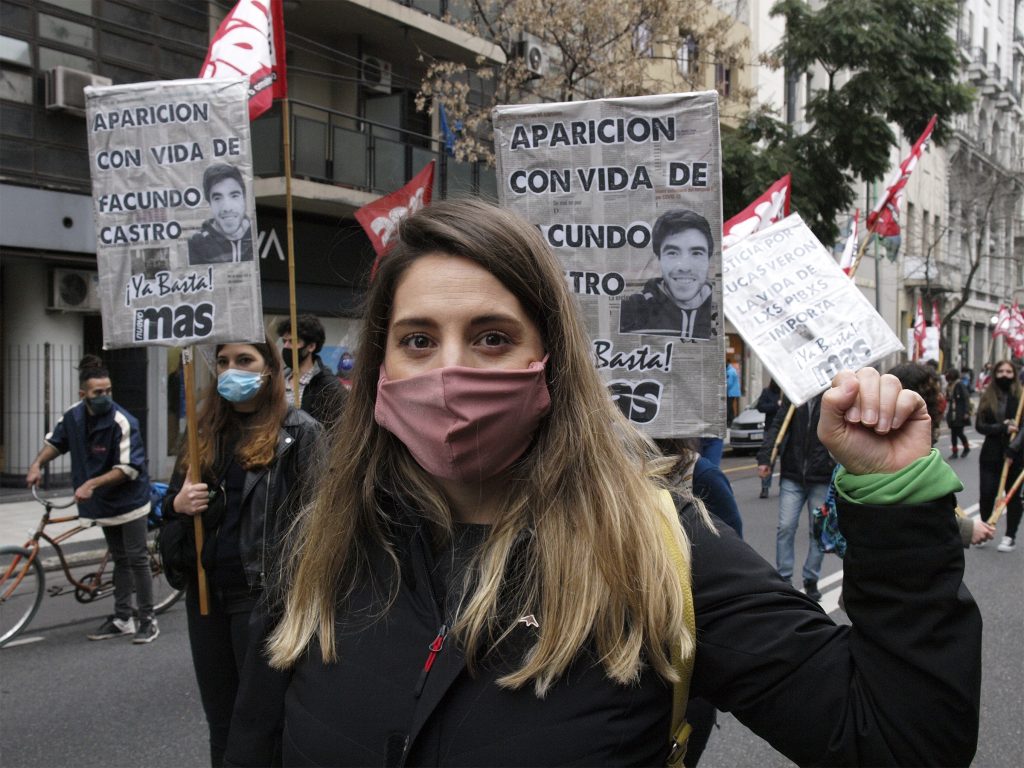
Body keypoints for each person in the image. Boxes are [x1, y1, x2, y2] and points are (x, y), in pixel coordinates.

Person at [226, 200, 980, 767]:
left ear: (551, 362)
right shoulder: (325, 549)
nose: (451, 371)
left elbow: (897, 741)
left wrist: (898, 504)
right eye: (418, 339)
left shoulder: (657, 551)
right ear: (379, 368)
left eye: (492, 338)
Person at [162, 335, 320, 766]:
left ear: (269, 368)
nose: (231, 369)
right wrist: (177, 504)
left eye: (245, 360)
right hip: (205, 596)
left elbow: (320, 520)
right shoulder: (203, 432)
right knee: (221, 722)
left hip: (263, 599)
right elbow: (171, 507)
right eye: (223, 361)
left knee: (258, 727)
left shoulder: (299, 431)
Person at [25, 355, 158, 643]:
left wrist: (91, 484)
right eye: (98, 392)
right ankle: (123, 618)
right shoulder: (73, 417)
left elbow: (129, 468)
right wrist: (37, 465)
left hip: (130, 501)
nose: (105, 396)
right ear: (82, 394)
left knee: (136, 559)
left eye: (108, 390)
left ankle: (148, 619)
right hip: (103, 502)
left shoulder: (123, 421)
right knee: (120, 558)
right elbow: (55, 443)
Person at [890, 363, 992, 547]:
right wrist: (965, 529)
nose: (941, 398)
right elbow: (913, 513)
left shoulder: (902, 435)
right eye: (934, 392)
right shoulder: (902, 444)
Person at [756, 393, 833, 601]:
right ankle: (784, 578)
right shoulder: (794, 397)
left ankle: (811, 578)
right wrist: (765, 458)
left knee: (817, 531)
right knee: (786, 526)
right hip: (792, 475)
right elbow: (776, 427)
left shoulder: (832, 399)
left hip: (821, 477)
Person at [619, 208, 717, 339]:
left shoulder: (724, 308)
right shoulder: (632, 309)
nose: (685, 267)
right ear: (659, 258)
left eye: (696, 253)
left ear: (708, 260)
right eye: (672, 253)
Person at [975, 359, 1022, 553]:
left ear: (1014, 375)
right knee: (987, 494)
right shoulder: (987, 396)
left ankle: (1010, 536)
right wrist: (1002, 427)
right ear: (995, 374)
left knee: (1013, 496)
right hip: (990, 453)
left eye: (1008, 372)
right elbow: (980, 426)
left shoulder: (1021, 397)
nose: (1004, 375)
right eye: (1001, 371)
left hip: (1015, 455)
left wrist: (1013, 448)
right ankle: (985, 529)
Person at [276, 314, 347, 428]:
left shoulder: (328, 385)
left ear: (311, 346)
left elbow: (337, 427)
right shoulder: (278, 380)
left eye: (292, 341)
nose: (286, 346)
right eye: (284, 341)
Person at [187, 164, 254, 265]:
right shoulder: (197, 243)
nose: (227, 208)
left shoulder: (256, 232)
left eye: (234, 196)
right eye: (217, 198)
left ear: (244, 198)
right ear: (209, 203)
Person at [755, 379, 782, 498]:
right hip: (771, 429)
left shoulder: (785, 393)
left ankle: (784, 487)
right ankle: (765, 487)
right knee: (769, 458)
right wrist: (776, 405)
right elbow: (760, 406)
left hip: (785, 430)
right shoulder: (767, 392)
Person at [945, 367, 972, 459]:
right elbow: (948, 398)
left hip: (960, 412)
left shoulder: (959, 384)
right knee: (953, 433)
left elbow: (966, 398)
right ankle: (955, 452)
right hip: (952, 413)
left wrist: (967, 412)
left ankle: (966, 448)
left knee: (959, 433)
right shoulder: (950, 385)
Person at [725, 359, 741, 426]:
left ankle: (728, 421)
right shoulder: (732, 370)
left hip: (731, 392)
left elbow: (729, 383)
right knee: (730, 407)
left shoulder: (730, 372)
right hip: (733, 392)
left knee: (728, 407)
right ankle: (731, 421)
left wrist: (724, 387)